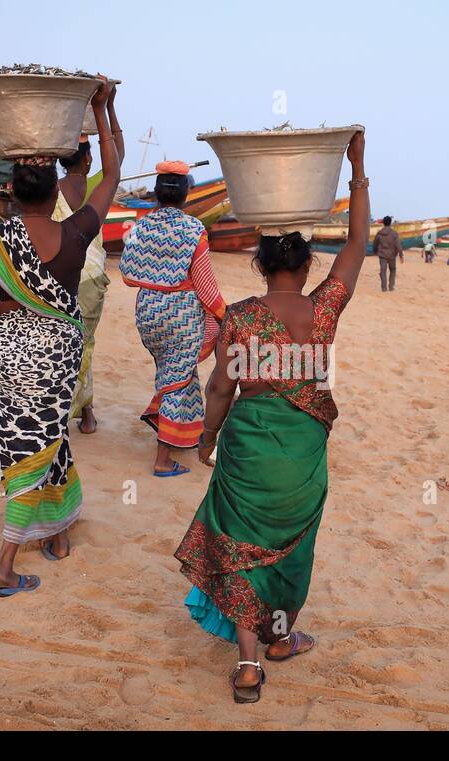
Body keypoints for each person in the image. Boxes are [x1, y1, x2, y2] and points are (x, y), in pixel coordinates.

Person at [173, 130, 369, 704]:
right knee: (291, 547)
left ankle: (249, 664)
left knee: (239, 544)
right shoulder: (325, 308)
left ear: (260, 265)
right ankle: (280, 637)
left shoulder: (237, 316)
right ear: (308, 264)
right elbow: (358, 241)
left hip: (247, 445)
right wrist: (357, 169)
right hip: (302, 450)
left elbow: (219, 387)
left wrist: (207, 438)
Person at [0, 80, 121, 597]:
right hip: (56, 353)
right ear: (56, 192)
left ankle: (58, 533)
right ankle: (4, 563)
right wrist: (104, 111)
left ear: (13, 191)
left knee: (38, 439)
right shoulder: (75, 233)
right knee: (40, 441)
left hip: (9, 350)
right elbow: (110, 172)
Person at [120, 160, 227, 476]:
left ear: (155, 193)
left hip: (148, 313)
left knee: (174, 373)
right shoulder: (194, 229)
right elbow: (206, 287)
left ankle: (181, 434)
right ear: (186, 194)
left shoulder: (141, 225)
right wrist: (225, 314)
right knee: (177, 380)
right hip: (180, 317)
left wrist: (158, 276)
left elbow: (128, 274)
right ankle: (162, 460)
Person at [55, 93, 124, 436]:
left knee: (63, 346)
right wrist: (108, 106)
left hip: (58, 279)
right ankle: (85, 414)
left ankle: (70, 412)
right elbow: (119, 156)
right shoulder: (99, 186)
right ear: (86, 159)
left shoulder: (50, 191)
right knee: (85, 345)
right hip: (90, 280)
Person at [374, 216, 403, 291]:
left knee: (383, 271)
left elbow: (375, 244)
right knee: (392, 270)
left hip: (382, 255)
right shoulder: (394, 233)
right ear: (390, 223)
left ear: (383, 223)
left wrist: (375, 251)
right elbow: (398, 245)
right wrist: (401, 255)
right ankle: (391, 286)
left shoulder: (379, 233)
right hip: (392, 255)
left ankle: (384, 288)